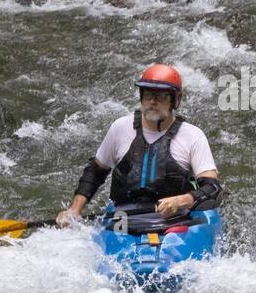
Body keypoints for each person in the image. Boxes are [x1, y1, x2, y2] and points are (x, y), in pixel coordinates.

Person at [56, 64, 222, 227]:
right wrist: (75, 209)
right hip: (123, 219)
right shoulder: (120, 128)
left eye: (161, 96)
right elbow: (95, 171)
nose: (152, 101)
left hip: (175, 220)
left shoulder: (193, 136)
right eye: (148, 94)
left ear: (176, 100)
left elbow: (212, 188)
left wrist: (180, 201)